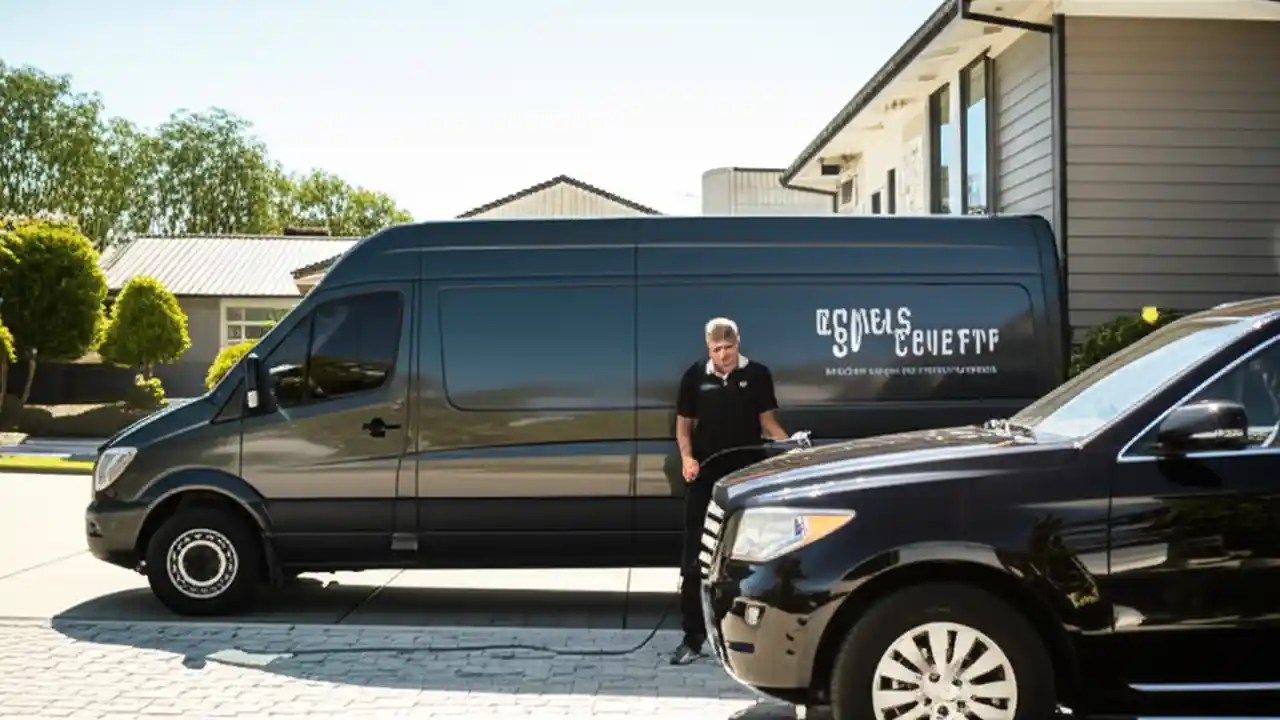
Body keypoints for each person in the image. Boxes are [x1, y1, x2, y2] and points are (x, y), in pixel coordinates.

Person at [669, 316, 789, 665]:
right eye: (717, 349)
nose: (724, 355)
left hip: (747, 478)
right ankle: (692, 638)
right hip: (706, 479)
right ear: (709, 349)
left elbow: (768, 425)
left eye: (729, 347)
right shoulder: (695, 377)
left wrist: (792, 447)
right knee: (696, 558)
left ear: (739, 343)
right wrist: (687, 458)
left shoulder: (757, 376)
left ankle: (748, 640)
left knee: (748, 558)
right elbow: (683, 428)